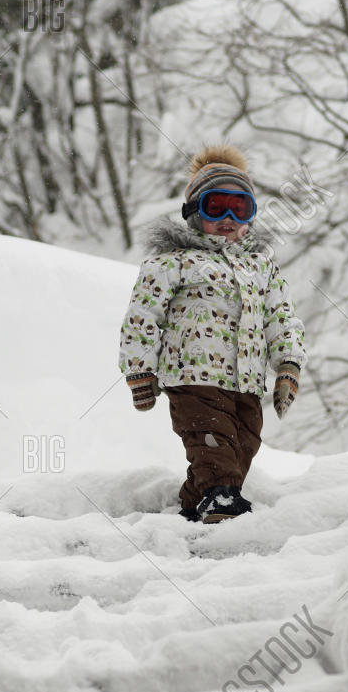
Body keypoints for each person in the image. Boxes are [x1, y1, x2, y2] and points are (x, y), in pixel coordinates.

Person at [118, 145, 308, 523]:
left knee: (244, 446)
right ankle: (219, 501)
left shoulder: (261, 268)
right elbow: (143, 316)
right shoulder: (173, 262)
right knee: (212, 444)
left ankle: (197, 502)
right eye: (215, 206)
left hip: (246, 379)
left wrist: (288, 365)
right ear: (193, 213)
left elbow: (281, 317)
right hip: (191, 376)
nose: (228, 219)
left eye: (240, 209)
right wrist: (140, 371)